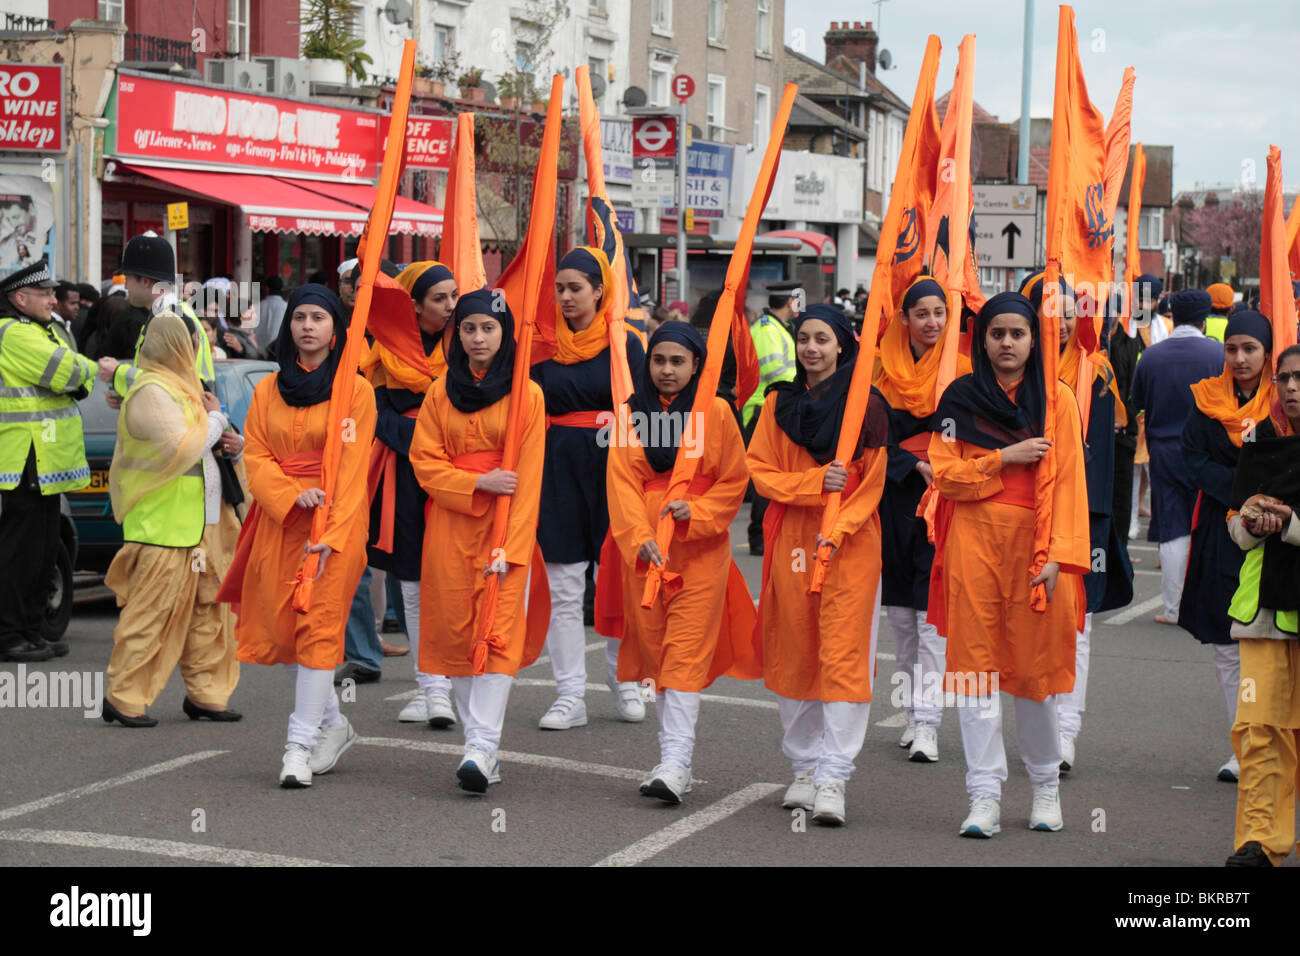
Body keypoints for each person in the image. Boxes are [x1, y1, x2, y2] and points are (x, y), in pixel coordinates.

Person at [926, 291, 1090, 837]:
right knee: (975, 673)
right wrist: (1003, 458)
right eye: (997, 333)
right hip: (973, 541)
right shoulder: (958, 398)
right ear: (982, 340)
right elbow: (945, 476)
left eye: (1018, 333)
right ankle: (983, 795)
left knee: (1035, 676)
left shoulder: (1056, 400)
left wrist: (1059, 557)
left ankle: (1046, 786)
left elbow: (1070, 483)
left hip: (1036, 549)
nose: (1007, 343)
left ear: (1033, 339)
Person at [221, 284, 376, 787]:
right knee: (286, 633)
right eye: (299, 317)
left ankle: (298, 745)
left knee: (318, 630)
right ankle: (333, 724)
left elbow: (353, 469)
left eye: (319, 318)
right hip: (280, 521)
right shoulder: (267, 389)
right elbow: (257, 454)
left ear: (336, 330)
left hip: (335, 525)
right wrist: (290, 495)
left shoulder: (356, 391)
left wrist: (330, 527)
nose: (307, 326)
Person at [746, 303, 890, 827]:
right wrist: (812, 485)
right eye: (804, 338)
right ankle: (803, 768)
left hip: (849, 541)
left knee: (843, 655)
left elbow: (870, 483)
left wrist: (838, 527)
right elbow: (759, 471)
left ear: (841, 346)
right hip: (792, 539)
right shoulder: (777, 404)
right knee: (795, 651)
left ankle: (833, 777)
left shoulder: (866, 405)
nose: (811, 348)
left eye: (822, 339)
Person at [606, 321, 751, 803]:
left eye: (678, 361)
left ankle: (675, 762)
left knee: (684, 657)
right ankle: (671, 758)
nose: (667, 370)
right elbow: (622, 483)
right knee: (658, 655)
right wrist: (639, 536)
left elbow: (734, 480)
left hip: (700, 554)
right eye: (658, 360)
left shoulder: (718, 413)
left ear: (696, 366)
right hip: (646, 554)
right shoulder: (630, 414)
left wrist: (700, 512)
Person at [408, 288, 545, 791]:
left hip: (504, 530)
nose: (478, 337)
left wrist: (511, 546)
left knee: (496, 634)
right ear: (456, 334)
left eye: (488, 328)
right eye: (468, 328)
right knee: (459, 637)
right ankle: (478, 745)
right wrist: (474, 483)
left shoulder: (528, 393)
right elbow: (424, 459)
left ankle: (481, 747)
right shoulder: (440, 390)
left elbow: (528, 479)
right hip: (449, 523)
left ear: (505, 333)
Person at [100, 312, 244, 726]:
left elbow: (211, 449)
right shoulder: (150, 391)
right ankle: (125, 697)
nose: (195, 349)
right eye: (189, 340)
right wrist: (216, 421)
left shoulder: (189, 391)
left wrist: (233, 443)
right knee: (151, 615)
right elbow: (180, 448)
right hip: (163, 527)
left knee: (211, 616)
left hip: (204, 526)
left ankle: (207, 695)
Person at [531, 246, 647, 729]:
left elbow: (646, 411)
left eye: (575, 288)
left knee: (617, 578)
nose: (565, 297)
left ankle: (625, 680)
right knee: (563, 582)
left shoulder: (626, 344)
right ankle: (569, 696)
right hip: (557, 464)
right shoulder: (539, 343)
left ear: (600, 291)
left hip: (614, 463)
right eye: (559, 289)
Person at [1030, 276, 1133, 774]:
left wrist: (1102, 528)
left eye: (1070, 310)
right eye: (1052, 310)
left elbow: (1107, 466)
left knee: (1078, 627)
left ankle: (1066, 731)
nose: (1063, 320)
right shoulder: (1017, 377)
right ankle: (1043, 728)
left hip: (1082, 521)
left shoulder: (1099, 374)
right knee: (1030, 629)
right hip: (1023, 519)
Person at [874, 277, 971, 762]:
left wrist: (944, 466)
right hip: (895, 500)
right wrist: (912, 463)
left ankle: (929, 721)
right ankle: (911, 715)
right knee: (901, 619)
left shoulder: (964, 370)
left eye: (940, 313)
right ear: (905, 319)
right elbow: (868, 437)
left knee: (933, 617)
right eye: (922, 313)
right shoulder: (879, 372)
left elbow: (978, 436)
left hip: (946, 501)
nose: (932, 322)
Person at [1180, 311, 1276, 783]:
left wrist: (1268, 504)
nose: (1239, 358)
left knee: (1271, 644)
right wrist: (1243, 495)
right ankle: (1241, 744)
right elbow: (1192, 461)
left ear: (1267, 353)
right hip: (1223, 531)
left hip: (1278, 533)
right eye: (1232, 348)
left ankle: (1272, 741)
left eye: (1250, 349)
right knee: (1228, 646)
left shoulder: (1284, 400)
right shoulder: (1205, 399)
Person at [362, 260, 459, 727]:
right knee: (415, 584)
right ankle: (430, 687)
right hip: (403, 472)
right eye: (439, 298)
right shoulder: (382, 350)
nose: (450, 306)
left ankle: (457, 683)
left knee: (454, 581)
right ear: (414, 305)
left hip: (457, 472)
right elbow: (370, 409)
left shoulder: (469, 342)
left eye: (454, 295)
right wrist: (416, 436)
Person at [1224, 344, 1300, 866]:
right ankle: (1260, 842)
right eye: (1287, 378)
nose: (1293, 387)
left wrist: (1291, 524)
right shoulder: (1259, 444)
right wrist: (1252, 522)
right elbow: (1234, 525)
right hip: (1264, 618)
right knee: (1258, 734)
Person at [0, 260, 97, 662]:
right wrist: (90, 372)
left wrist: (83, 374)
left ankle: (31, 628)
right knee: (20, 552)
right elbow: (71, 374)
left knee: (41, 550)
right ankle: (9, 634)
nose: (53, 300)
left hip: (40, 460)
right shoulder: (14, 334)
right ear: (20, 299)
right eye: (45, 294)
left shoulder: (39, 331)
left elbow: (75, 374)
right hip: (22, 459)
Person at [1130, 289, 1225, 624]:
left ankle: (1173, 609)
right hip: (1210, 450)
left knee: (1172, 525)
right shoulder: (1219, 354)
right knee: (1209, 523)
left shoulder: (1152, 356)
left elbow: (1137, 401)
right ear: (1204, 317)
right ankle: (1209, 603)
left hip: (1165, 449)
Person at [98, 234, 216, 407]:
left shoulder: (172, 321)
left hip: (180, 425)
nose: (125, 286)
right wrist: (128, 398)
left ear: (145, 281)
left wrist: (117, 373)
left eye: (127, 279)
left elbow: (169, 385)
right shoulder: (167, 315)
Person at [741, 281, 800, 556]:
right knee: (765, 478)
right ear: (790, 302)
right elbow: (775, 371)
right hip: (763, 409)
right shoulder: (766, 329)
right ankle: (759, 537)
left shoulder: (776, 327)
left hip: (777, 408)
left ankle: (767, 535)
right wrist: (802, 382)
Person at [1110, 274, 1157, 546]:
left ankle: (1146, 528)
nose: (1144, 304)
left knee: (1148, 476)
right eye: (1139, 298)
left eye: (1148, 298)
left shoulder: (1153, 330)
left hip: (1138, 423)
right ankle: (1129, 526)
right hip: (1120, 429)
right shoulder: (1108, 341)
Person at [256, 275, 288, 356]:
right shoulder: (286, 306)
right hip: (278, 351)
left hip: (258, 351)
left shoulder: (259, 306)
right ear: (281, 289)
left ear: (267, 288)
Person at [51, 280, 79, 348]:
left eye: (77, 303)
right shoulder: (50, 327)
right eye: (72, 303)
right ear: (57, 303)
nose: (77, 307)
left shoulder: (66, 325)